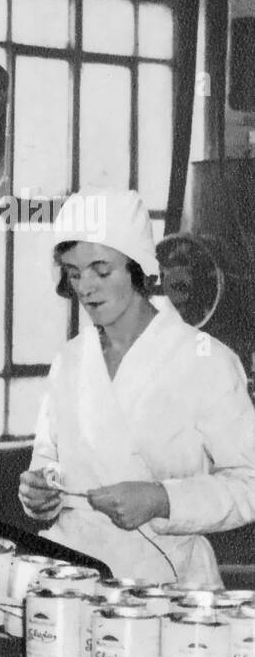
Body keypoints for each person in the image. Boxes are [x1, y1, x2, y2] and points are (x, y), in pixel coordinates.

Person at [17, 191, 255, 587]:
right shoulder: (70, 361)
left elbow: (250, 482)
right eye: (74, 274)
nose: (86, 288)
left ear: (137, 269)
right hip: (73, 576)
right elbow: (48, 459)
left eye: (101, 270)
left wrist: (163, 499)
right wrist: (40, 492)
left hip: (167, 583)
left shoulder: (205, 360)